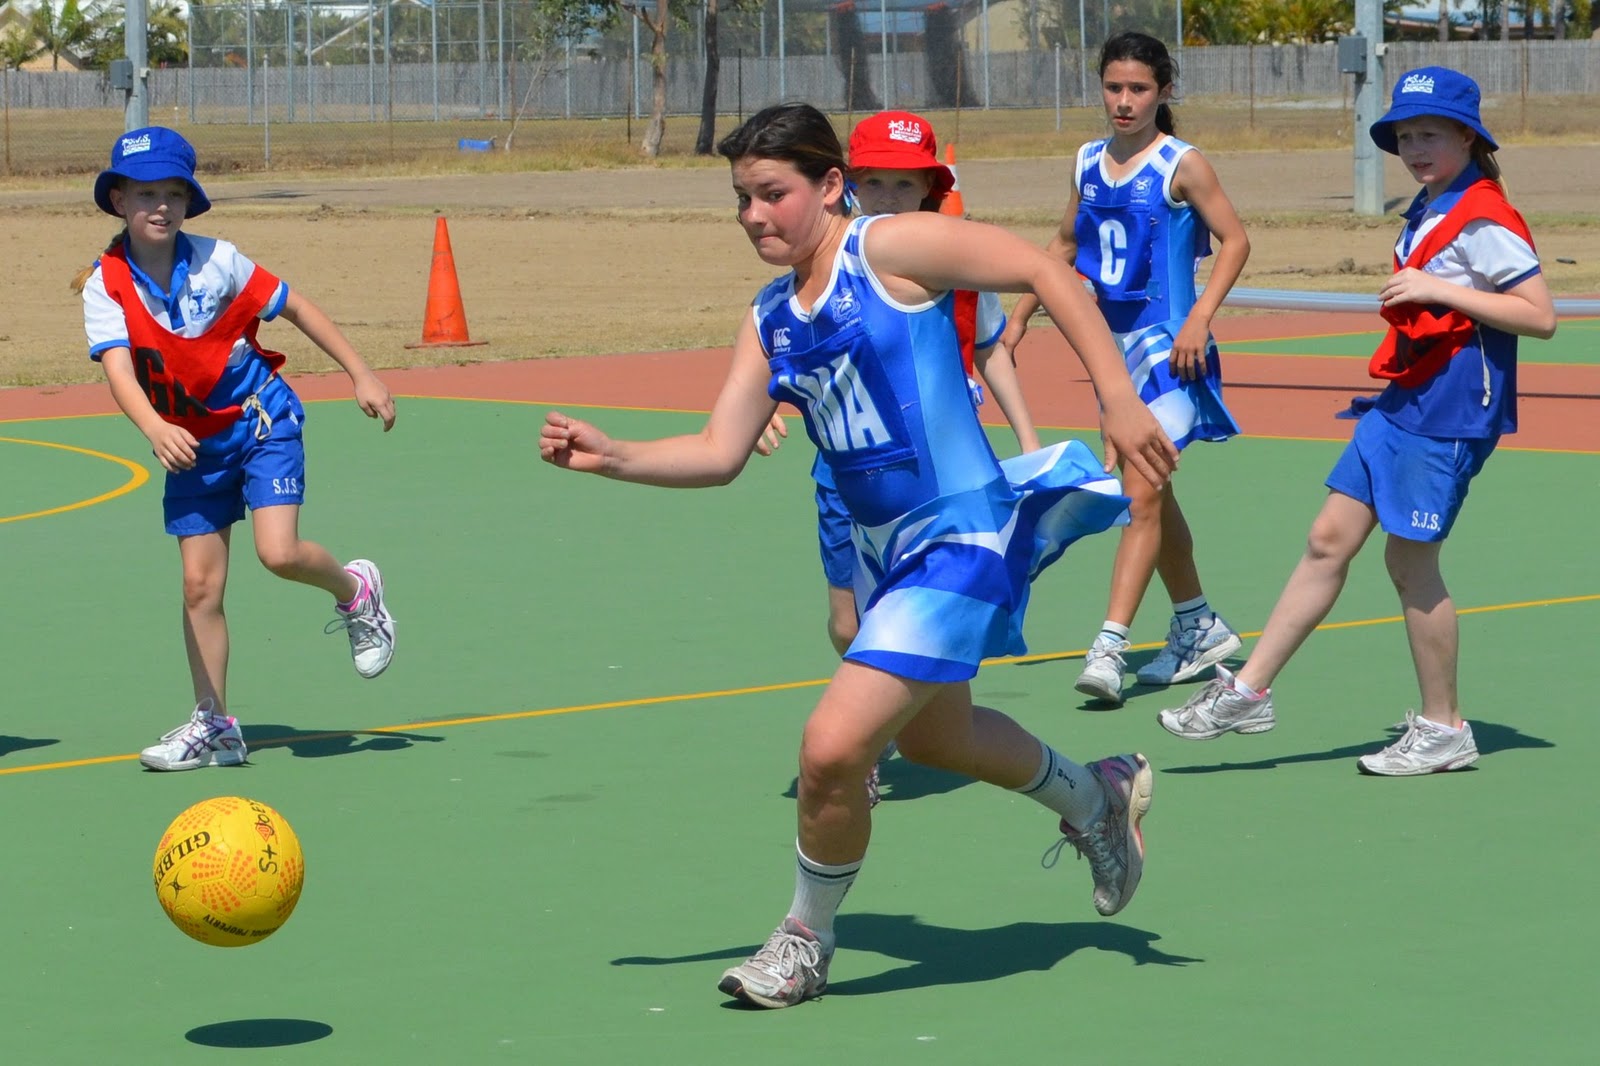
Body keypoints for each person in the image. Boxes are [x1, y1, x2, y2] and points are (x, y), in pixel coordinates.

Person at [540, 102, 1177, 1009]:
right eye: (742, 200)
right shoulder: (770, 318)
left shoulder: (889, 251)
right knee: (938, 736)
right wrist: (614, 457)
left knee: (833, 747)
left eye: (774, 193)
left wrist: (1116, 398)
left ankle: (805, 939)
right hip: (887, 554)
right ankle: (1096, 798)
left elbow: (1042, 267)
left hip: (958, 536)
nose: (756, 215)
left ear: (830, 186)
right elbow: (721, 451)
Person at [1157, 68, 1555, 775]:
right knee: (1326, 539)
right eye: (1405, 135)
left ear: (1468, 135)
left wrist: (1437, 288)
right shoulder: (1434, 203)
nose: (1416, 147)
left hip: (1449, 412)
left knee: (1409, 563)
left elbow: (1540, 316)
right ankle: (1247, 691)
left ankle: (1443, 729)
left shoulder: (1485, 215)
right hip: (1405, 401)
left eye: (1431, 133)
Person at [73, 126, 399, 772]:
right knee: (199, 586)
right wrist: (155, 429)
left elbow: (296, 308)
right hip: (192, 445)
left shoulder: (220, 261)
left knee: (277, 554)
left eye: (173, 193)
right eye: (143, 194)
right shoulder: (103, 286)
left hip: (259, 421)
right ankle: (214, 725)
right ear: (117, 201)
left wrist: (360, 371)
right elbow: (118, 370)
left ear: (189, 202)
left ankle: (356, 590)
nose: (159, 206)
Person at [1003, 31, 1250, 707]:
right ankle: (1197, 622)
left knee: (1139, 494)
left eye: (1138, 89)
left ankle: (1109, 645)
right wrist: (1021, 312)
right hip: (1114, 362)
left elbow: (1235, 239)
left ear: (1163, 92)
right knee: (1155, 496)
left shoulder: (1181, 164)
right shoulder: (1086, 162)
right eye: (1113, 87)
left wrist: (1200, 316)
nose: (1123, 101)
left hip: (1173, 356)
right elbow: (1062, 244)